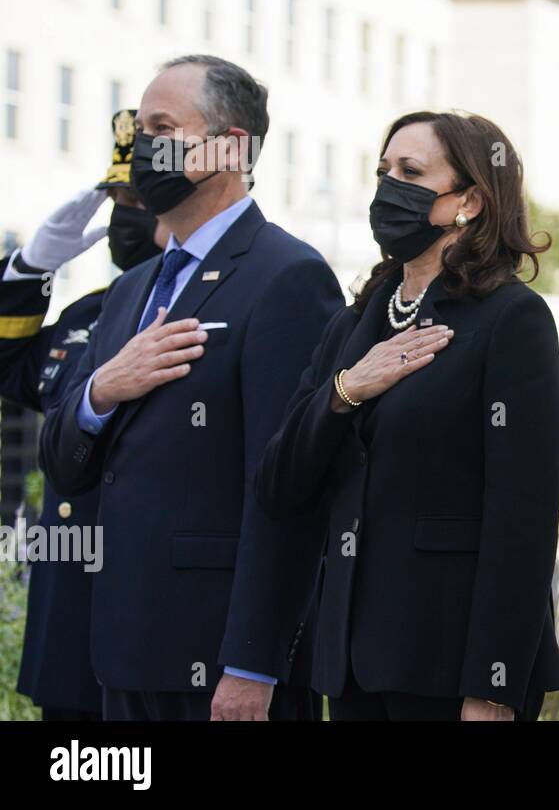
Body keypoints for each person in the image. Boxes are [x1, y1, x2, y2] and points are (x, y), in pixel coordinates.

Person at [39, 56, 343, 721]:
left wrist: (254, 662)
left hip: (223, 670)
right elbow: (63, 460)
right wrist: (101, 391)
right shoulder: (129, 291)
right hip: (123, 652)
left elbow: (288, 490)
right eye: (137, 128)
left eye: (161, 126)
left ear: (230, 147)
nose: (141, 147)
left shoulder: (287, 276)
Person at [255, 110, 559, 721]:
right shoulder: (354, 324)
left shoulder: (512, 320)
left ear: (469, 201)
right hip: (350, 667)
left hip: (450, 669)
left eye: (410, 171)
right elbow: (279, 482)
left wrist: (492, 687)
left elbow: (522, 522)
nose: (387, 186)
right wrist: (346, 391)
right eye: (382, 170)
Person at [0, 109, 164, 720]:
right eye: (118, 198)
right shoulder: (85, 316)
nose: (126, 215)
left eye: (140, 198)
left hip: (151, 613)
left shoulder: (220, 301)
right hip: (68, 612)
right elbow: (12, 368)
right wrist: (30, 269)